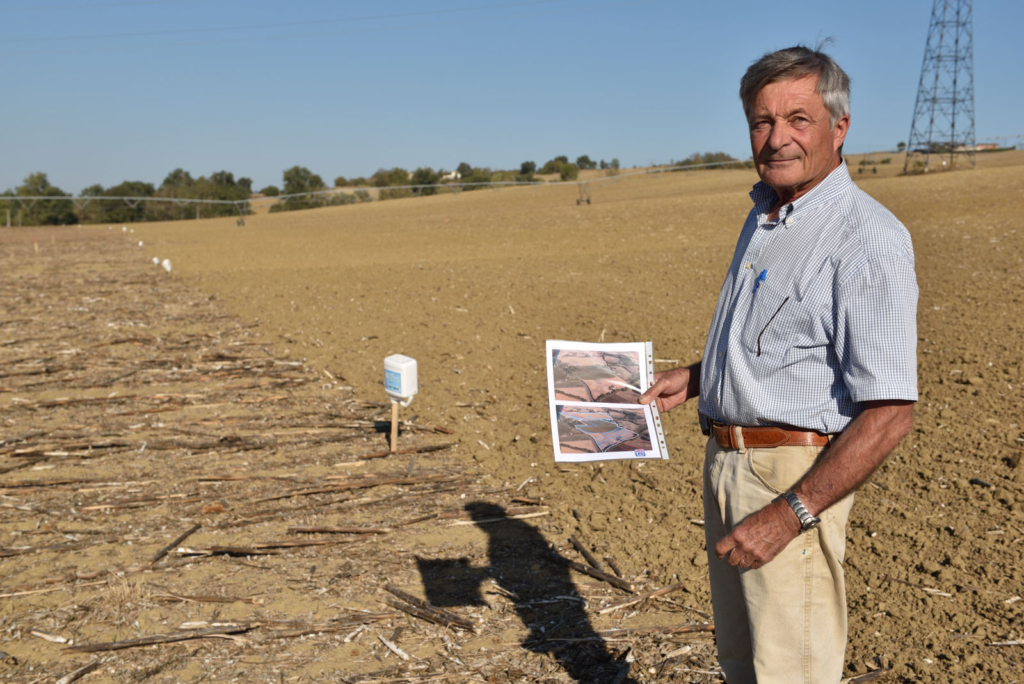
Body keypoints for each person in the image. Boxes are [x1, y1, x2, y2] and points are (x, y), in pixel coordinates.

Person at [639, 45, 918, 684]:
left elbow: (891, 412)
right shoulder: (767, 216)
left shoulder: (865, 237)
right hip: (727, 464)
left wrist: (791, 512)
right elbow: (782, 344)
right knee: (745, 667)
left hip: (789, 475)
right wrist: (700, 376)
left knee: (791, 672)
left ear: (839, 127)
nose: (777, 139)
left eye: (799, 119)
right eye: (762, 122)